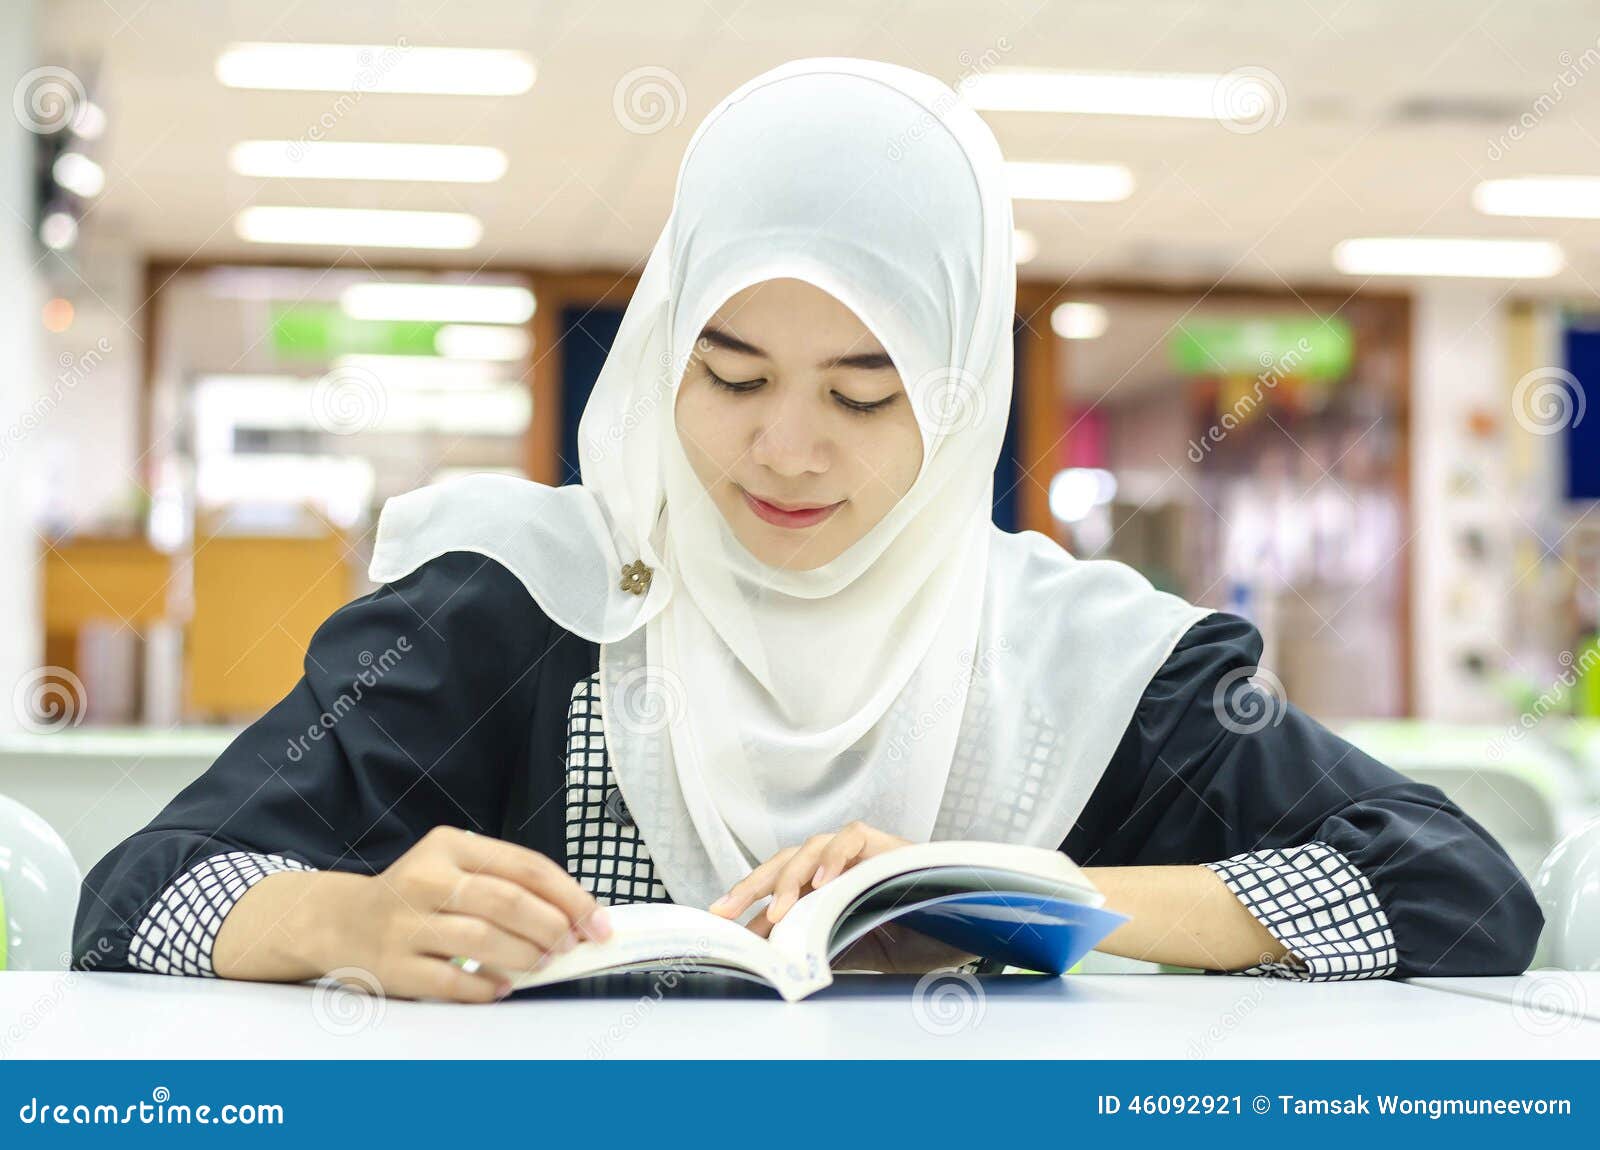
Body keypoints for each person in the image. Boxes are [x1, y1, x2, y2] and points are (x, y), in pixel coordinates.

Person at [73, 58, 1540, 1003]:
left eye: (863, 393)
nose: (785, 448)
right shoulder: (516, 608)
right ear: (662, 354)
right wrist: (344, 923)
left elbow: (1458, 889)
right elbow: (140, 894)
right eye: (729, 376)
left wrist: (1020, 898)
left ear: (958, 402)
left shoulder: (1082, 666)